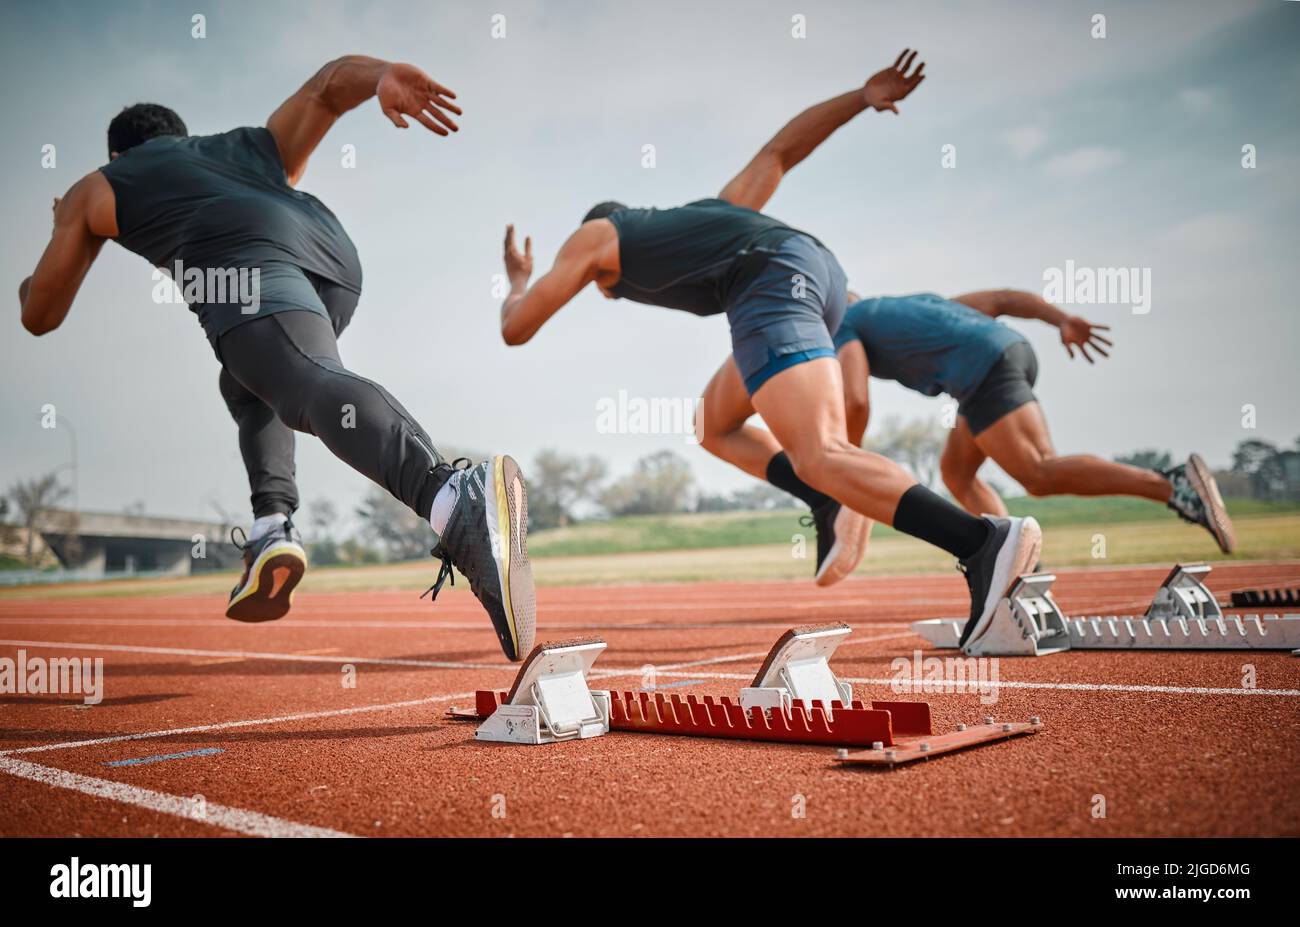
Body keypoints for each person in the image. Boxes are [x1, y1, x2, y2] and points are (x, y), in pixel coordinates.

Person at [498, 50, 1042, 647]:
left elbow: (516, 328)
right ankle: (825, 497)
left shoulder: (595, 237)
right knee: (714, 424)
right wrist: (861, 98)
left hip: (771, 281)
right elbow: (778, 153)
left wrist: (520, 282)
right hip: (817, 274)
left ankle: (981, 542)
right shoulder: (711, 216)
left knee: (822, 453)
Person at [17, 55, 536, 661]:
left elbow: (39, 314)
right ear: (181, 137)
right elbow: (325, 88)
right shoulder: (242, 146)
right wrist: (381, 75)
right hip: (330, 259)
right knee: (248, 383)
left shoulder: (101, 185)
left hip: (249, 264)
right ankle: (271, 526)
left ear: (117, 153)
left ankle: (450, 497)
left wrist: (64, 227)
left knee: (302, 380)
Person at [833, 290, 1235, 553]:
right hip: (1011, 353)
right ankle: (1010, 556)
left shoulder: (843, 325)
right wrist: (1061, 320)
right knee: (956, 472)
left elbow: (855, 401)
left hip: (984, 371)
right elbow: (1003, 300)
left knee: (1038, 472)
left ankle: (1173, 485)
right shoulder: (911, 306)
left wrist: (848, 462)